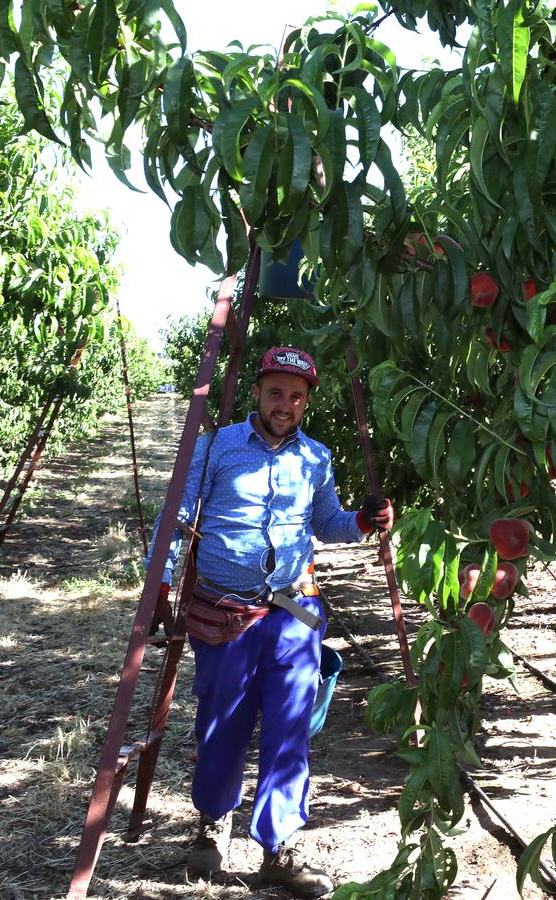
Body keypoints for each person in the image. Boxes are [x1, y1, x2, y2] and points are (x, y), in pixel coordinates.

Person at [147, 346, 393, 897]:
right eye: (276, 392)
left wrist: (363, 521)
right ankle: (213, 823)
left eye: (296, 396)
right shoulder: (217, 448)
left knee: (289, 730)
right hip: (225, 612)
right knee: (222, 721)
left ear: (307, 403)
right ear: (257, 392)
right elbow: (177, 518)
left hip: (293, 612)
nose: (285, 404)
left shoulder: (316, 458)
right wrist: (159, 587)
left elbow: (327, 523)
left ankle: (277, 848)